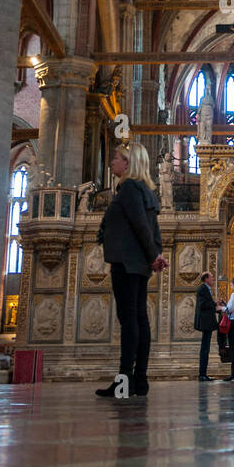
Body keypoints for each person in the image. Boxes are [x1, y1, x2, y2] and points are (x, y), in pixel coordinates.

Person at [95, 142, 165, 399]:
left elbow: (140, 226)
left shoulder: (128, 190)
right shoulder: (146, 190)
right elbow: (152, 229)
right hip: (138, 263)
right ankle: (139, 381)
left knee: (130, 322)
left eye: (116, 158)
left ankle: (125, 382)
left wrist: (153, 255)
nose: (112, 162)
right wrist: (155, 255)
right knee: (139, 320)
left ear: (128, 163)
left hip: (126, 262)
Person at [194, 270, 221, 382]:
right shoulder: (203, 289)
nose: (213, 278)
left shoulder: (206, 289)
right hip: (206, 323)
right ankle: (202, 374)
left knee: (206, 349)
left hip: (207, 323)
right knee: (204, 349)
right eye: (211, 277)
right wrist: (214, 303)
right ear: (206, 279)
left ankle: (203, 374)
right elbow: (203, 305)